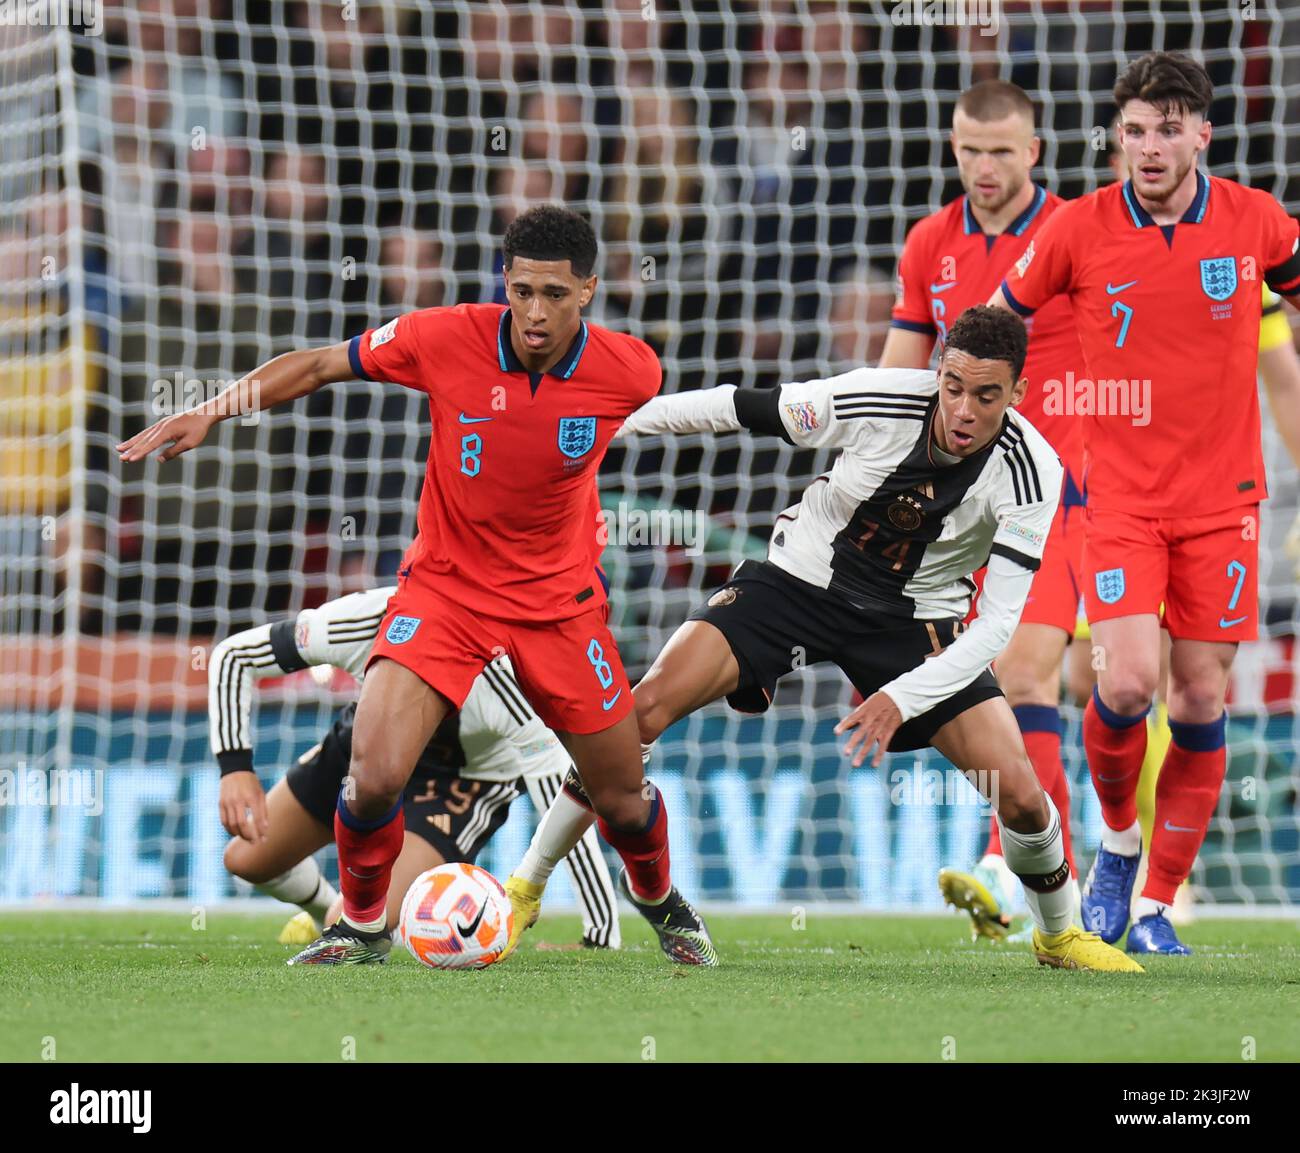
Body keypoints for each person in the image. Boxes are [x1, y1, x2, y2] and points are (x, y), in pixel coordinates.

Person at [119, 204, 716, 967]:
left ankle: (664, 905)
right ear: (505, 280)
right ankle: (360, 925)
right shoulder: (443, 336)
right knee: (371, 776)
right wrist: (214, 408)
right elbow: (318, 365)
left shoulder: (630, 369)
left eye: (555, 296)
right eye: (523, 290)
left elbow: (687, 420)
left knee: (624, 798)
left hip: (558, 606)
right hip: (446, 592)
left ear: (589, 291)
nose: (535, 313)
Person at [511, 305, 1142, 973]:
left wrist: (902, 696)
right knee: (638, 714)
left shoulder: (1032, 471)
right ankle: (525, 886)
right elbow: (736, 407)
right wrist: (616, 420)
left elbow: (997, 623)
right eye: (952, 386)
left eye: (985, 395)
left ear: (1016, 393)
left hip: (915, 623)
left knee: (1017, 787)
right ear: (938, 373)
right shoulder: (878, 397)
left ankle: (1060, 935)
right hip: (797, 584)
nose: (962, 409)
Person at [991, 52, 1300, 954]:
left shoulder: (1256, 222)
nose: (1150, 147)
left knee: (1200, 699)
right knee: (1125, 681)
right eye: (1135, 131)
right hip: (1117, 497)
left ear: (1202, 133)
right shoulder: (1079, 229)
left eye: (1169, 129)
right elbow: (1000, 316)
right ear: (1117, 136)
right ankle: (1118, 842)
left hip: (1225, 501)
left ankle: (1160, 903)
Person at [879, 79, 1087, 942]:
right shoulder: (931, 241)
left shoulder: (1076, 231)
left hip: (1063, 492)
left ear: (1034, 151)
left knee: (1034, 674)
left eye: (1002, 149)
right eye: (969, 148)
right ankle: (1040, 880)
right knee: (989, 688)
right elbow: (901, 374)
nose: (984, 166)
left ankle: (1021, 868)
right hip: (959, 509)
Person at [211, 585, 620, 950]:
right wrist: (234, 768)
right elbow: (232, 657)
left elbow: (564, 789)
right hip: (370, 747)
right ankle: (322, 911)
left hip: (459, 782)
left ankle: (339, 917)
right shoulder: (366, 620)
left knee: (353, 924)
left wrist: (601, 932)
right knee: (246, 860)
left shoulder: (500, 678)